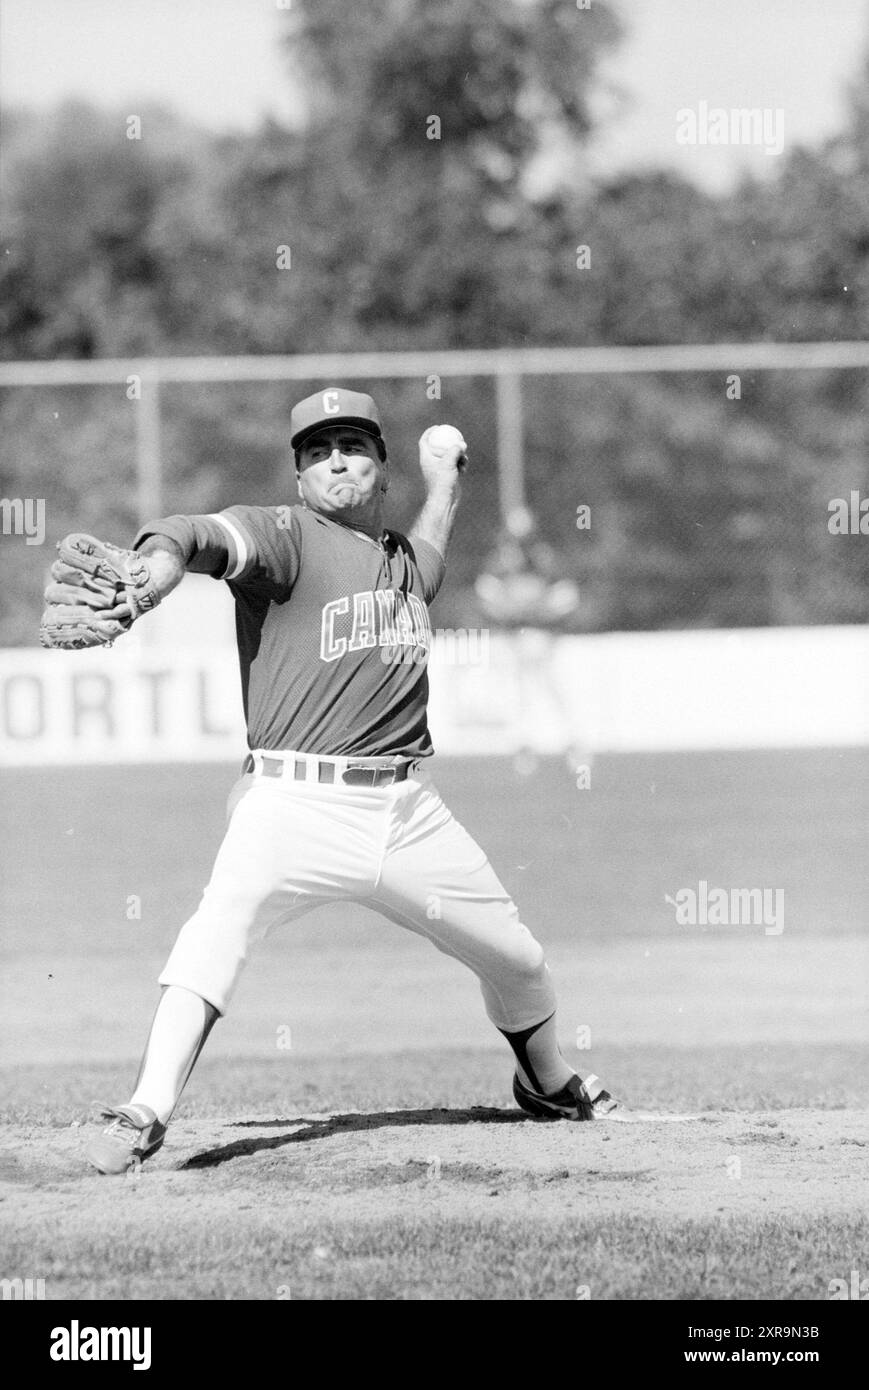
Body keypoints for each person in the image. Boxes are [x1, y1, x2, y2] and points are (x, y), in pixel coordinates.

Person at [83, 387, 620, 1175]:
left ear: (381, 469)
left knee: (518, 961)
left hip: (408, 813)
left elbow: (430, 557)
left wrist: (449, 484)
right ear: (299, 476)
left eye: (353, 447)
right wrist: (157, 567)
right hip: (292, 805)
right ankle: (146, 1109)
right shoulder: (285, 536)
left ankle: (542, 1083)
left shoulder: (400, 560)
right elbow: (198, 534)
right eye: (316, 451)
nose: (335, 461)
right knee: (216, 933)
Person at [475, 506, 589, 776]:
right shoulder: (501, 561)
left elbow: (566, 594)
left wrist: (541, 612)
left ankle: (571, 744)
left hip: (540, 634)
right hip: (514, 635)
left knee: (549, 689)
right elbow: (487, 593)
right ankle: (526, 748)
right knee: (520, 693)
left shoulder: (545, 558)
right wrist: (508, 612)